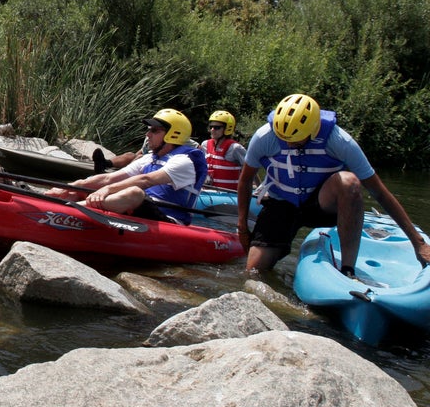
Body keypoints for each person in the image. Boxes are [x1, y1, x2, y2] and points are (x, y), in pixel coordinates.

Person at [237, 93, 430, 274]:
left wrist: (418, 243)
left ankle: (348, 269)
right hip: (282, 203)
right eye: (284, 139)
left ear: (313, 129)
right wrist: (242, 226)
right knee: (254, 272)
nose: (288, 145)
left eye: (295, 140)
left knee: (349, 181)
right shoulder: (264, 137)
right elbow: (246, 180)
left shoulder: (339, 141)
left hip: (321, 204)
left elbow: (378, 191)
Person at [44, 109, 208, 225]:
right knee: (80, 187)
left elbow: (145, 180)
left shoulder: (184, 161)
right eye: (149, 129)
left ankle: (64, 212)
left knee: (134, 192)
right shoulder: (151, 157)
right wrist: (73, 186)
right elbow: (109, 177)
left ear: (174, 135)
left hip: (167, 218)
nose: (147, 134)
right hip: (141, 208)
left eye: (154, 130)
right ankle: (45, 200)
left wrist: (107, 190)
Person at [204, 110, 247, 191]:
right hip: (208, 192)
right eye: (211, 127)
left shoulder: (235, 148)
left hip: (229, 195)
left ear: (227, 129)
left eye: (217, 127)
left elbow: (251, 169)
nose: (212, 130)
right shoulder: (205, 145)